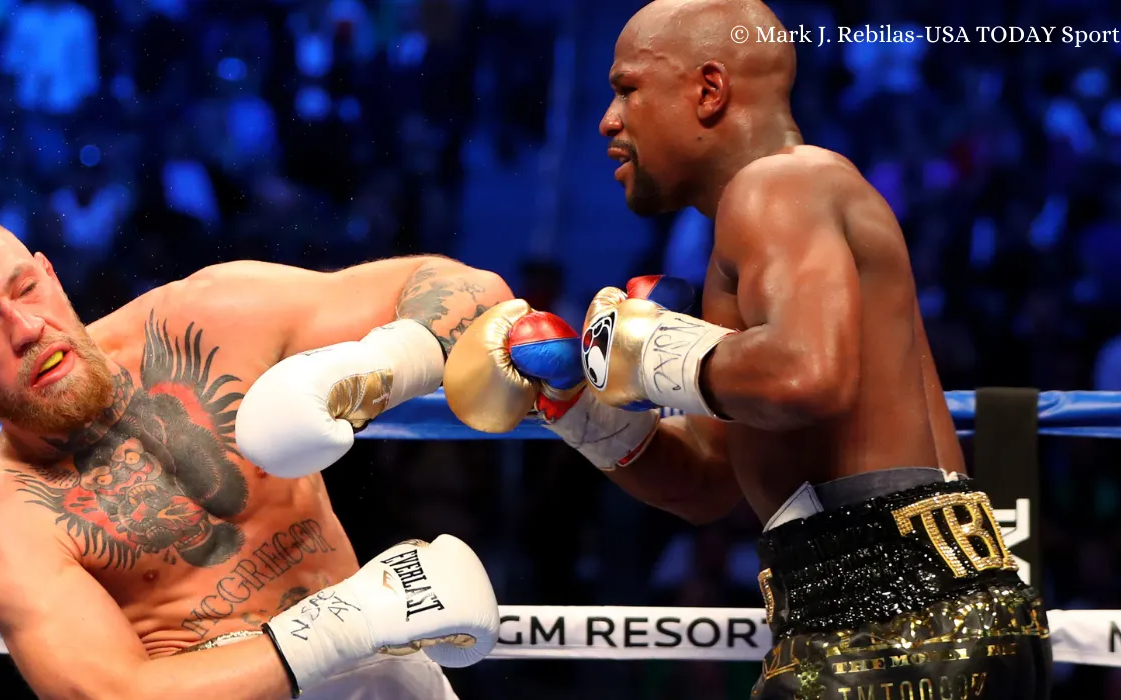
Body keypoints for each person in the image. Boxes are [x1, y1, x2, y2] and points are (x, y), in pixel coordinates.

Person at [441, 0, 1053, 697]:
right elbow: (705, 482)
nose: (608, 120)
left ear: (709, 90)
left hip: (891, 617)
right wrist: (579, 406)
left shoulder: (779, 185)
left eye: (628, 88)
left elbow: (807, 376)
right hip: (906, 606)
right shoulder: (761, 231)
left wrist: (646, 350)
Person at [0, 217, 505, 700]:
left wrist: (377, 367)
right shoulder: (0, 524)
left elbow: (473, 291)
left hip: (387, 672)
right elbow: (112, 694)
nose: (26, 328)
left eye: (26, 288)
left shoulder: (209, 319)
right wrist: (353, 620)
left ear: (50, 273)